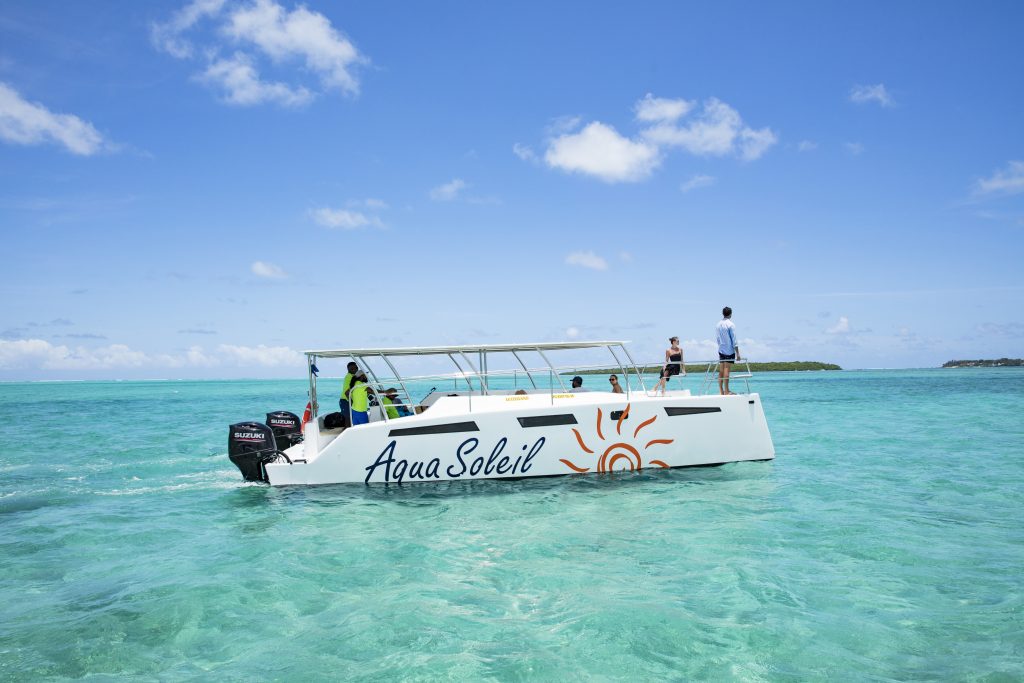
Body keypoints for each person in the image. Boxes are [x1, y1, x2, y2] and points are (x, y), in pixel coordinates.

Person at [716, 307, 741, 395]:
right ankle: (726, 391)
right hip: (729, 350)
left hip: (721, 349)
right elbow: (734, 339)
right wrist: (738, 353)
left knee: (721, 370)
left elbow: (718, 338)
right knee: (727, 370)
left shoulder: (718, 324)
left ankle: (721, 391)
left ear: (723, 313)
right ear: (730, 314)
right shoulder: (731, 324)